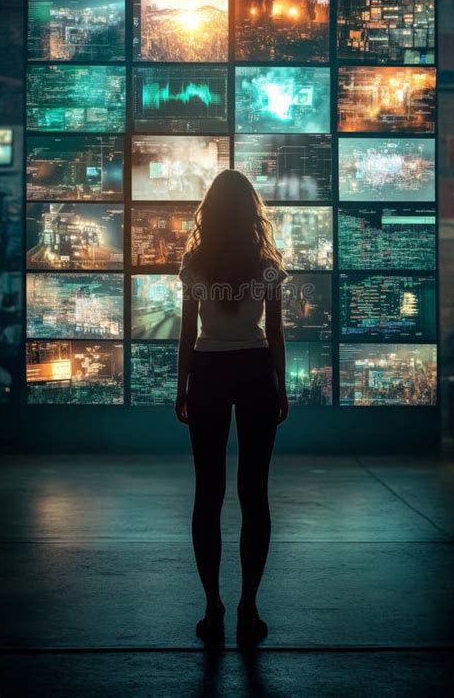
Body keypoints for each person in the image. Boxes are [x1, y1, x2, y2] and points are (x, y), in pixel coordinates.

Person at [175, 169, 289, 646]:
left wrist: (182, 387)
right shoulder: (266, 265)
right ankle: (249, 606)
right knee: (254, 494)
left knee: (208, 494)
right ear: (251, 213)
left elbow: (187, 333)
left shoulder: (195, 265)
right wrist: (280, 386)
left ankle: (212, 607)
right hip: (256, 370)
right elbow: (277, 334)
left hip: (208, 371)